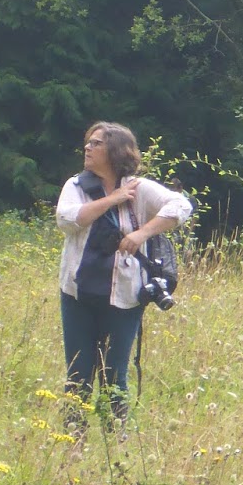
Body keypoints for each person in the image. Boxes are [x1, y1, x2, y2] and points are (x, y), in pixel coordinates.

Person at [56, 122, 193, 432]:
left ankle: (117, 442)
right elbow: (67, 219)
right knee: (77, 374)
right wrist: (112, 199)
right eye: (88, 142)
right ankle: (72, 443)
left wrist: (143, 232)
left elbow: (181, 206)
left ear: (116, 152)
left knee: (114, 374)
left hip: (124, 297)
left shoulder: (139, 188)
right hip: (77, 293)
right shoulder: (76, 186)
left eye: (96, 143)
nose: (87, 148)